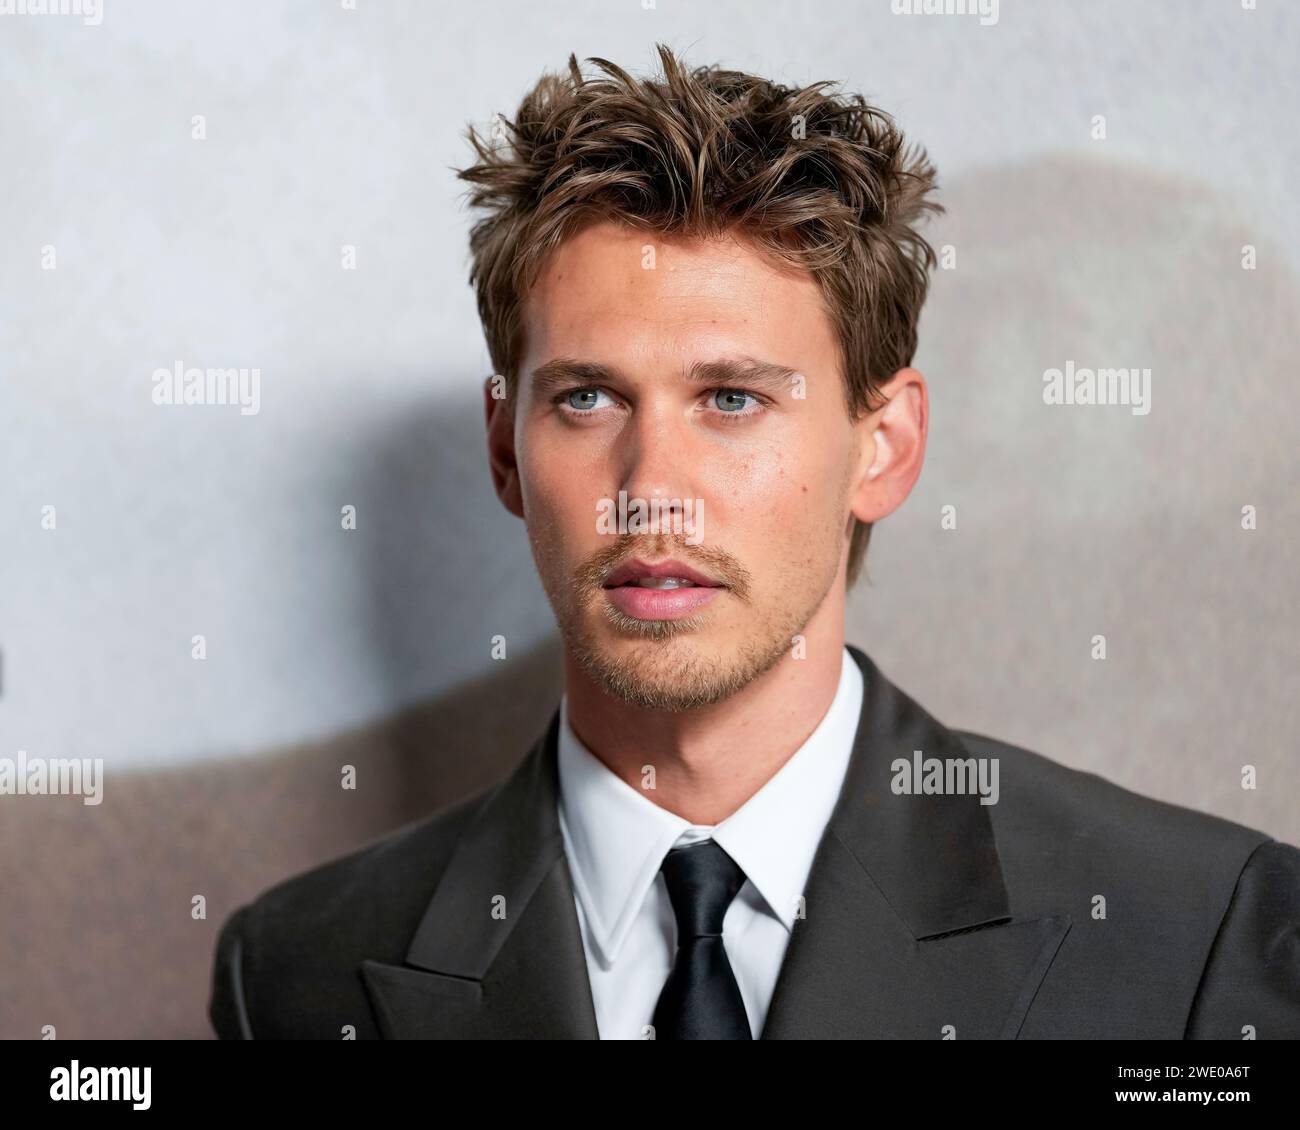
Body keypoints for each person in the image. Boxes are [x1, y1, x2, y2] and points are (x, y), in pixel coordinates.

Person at [209, 43, 1300, 1040]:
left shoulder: (1197, 933)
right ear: (505, 448)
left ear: (883, 446)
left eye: (732, 399)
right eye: (587, 398)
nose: (652, 491)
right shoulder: (294, 973)